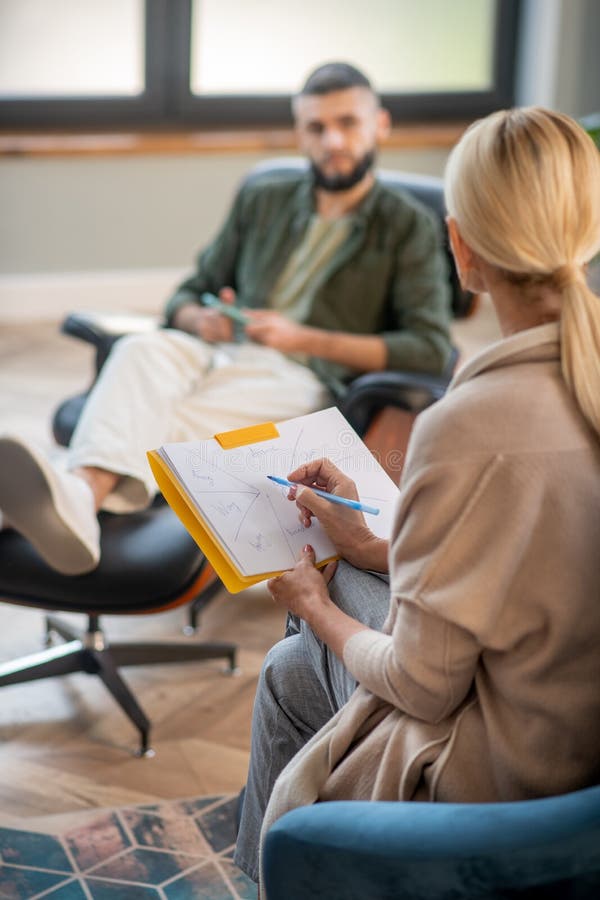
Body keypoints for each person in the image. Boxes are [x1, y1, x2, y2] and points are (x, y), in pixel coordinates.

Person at [233, 106, 600, 886]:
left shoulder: (468, 424)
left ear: (461, 248)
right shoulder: (581, 375)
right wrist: (376, 545)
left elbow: (422, 686)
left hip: (507, 773)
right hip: (577, 736)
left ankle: (288, 872)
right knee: (298, 659)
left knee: (301, 643)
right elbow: (523, 562)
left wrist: (316, 605)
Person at [0, 61, 453, 576]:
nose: (332, 141)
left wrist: (302, 338)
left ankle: (72, 495)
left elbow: (429, 348)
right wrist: (200, 319)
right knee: (140, 350)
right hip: (217, 348)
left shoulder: (408, 226)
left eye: (347, 123)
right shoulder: (264, 198)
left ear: (380, 125)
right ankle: (74, 500)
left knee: (156, 420)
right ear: (299, 132)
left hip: (299, 376)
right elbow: (186, 294)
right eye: (316, 127)